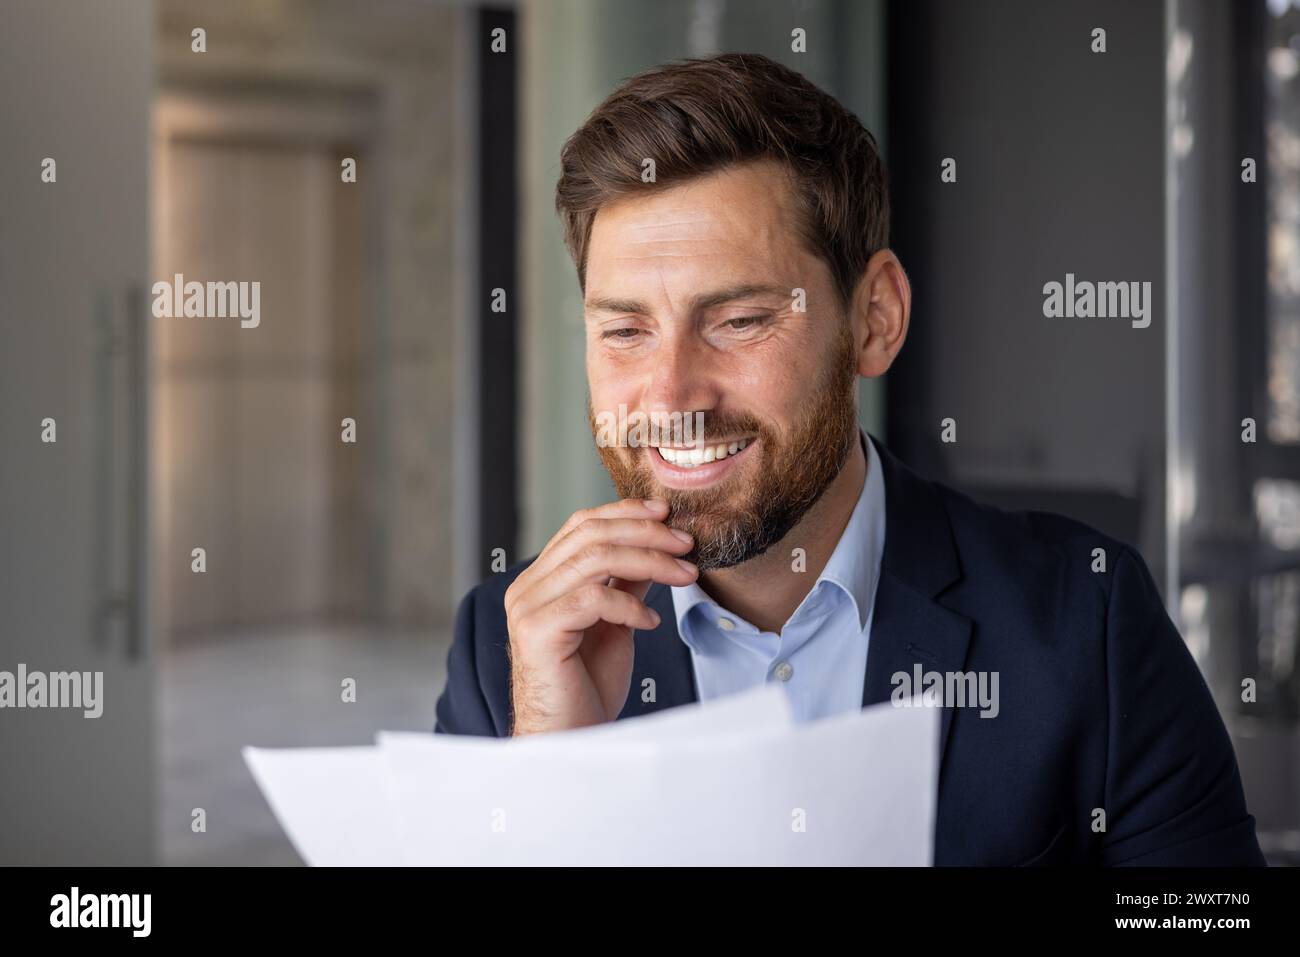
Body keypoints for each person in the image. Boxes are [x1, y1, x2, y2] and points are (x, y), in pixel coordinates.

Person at [435, 52, 1265, 866]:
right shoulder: (511, 649)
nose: (674, 397)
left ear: (874, 318)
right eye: (625, 331)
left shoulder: (1088, 619)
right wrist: (548, 784)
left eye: (740, 321)